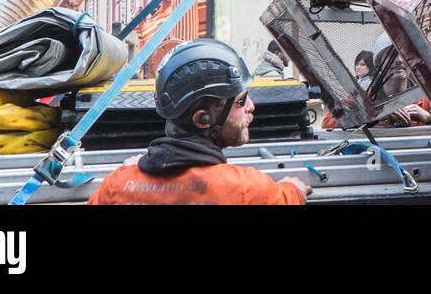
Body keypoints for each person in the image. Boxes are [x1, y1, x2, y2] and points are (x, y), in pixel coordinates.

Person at [88, 39, 310, 205]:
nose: (251, 106)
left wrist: (129, 175)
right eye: (240, 101)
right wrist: (294, 188)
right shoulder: (245, 188)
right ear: (203, 119)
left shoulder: (116, 185)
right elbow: (288, 196)